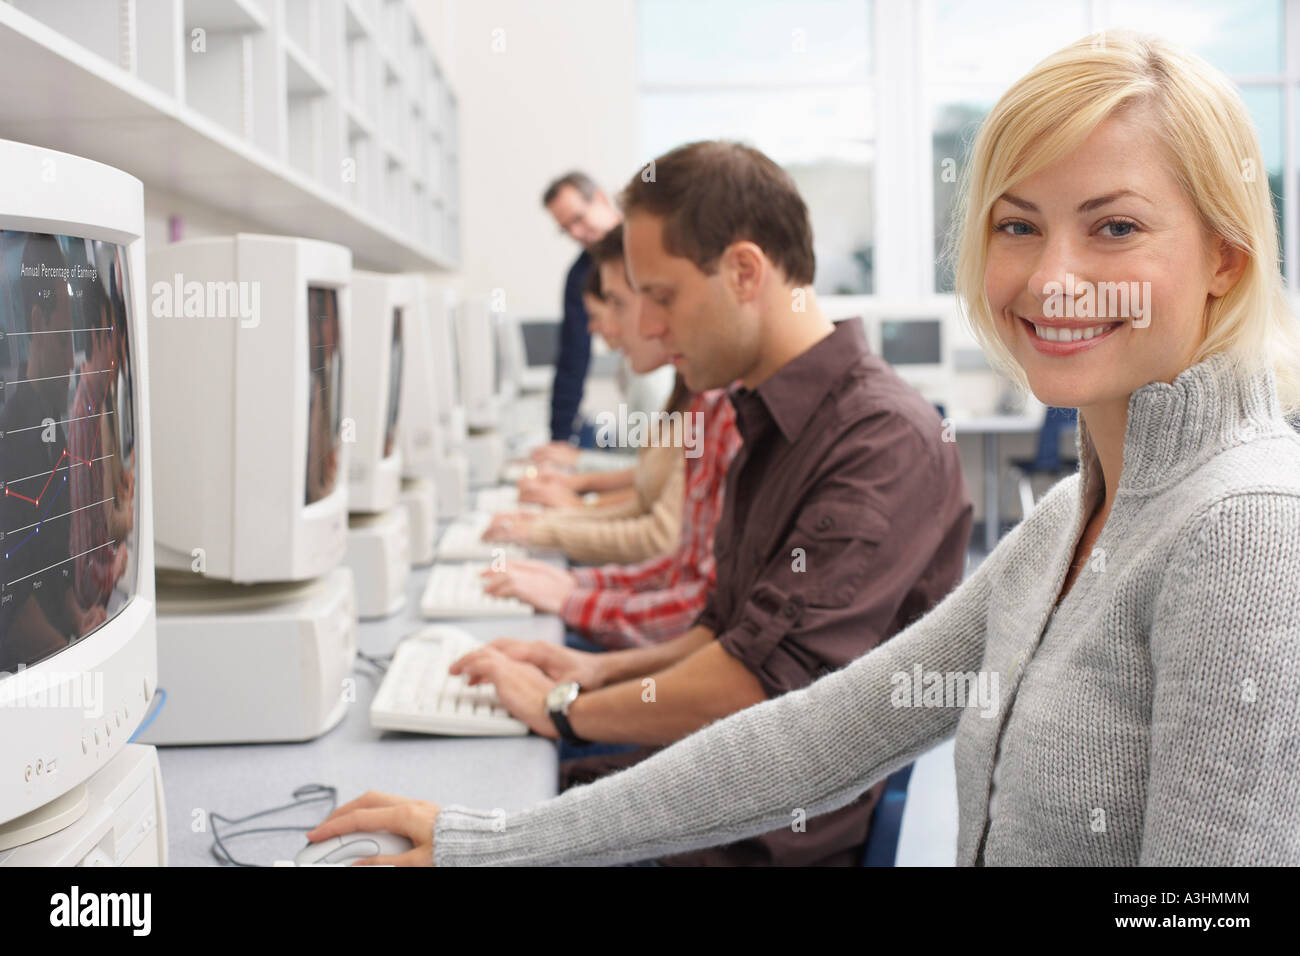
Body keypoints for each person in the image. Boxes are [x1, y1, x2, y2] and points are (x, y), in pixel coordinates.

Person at [309, 31, 1300, 867]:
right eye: (1017, 224)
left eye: (1115, 226)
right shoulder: (1066, 524)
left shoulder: (1243, 534)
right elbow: (814, 736)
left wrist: (561, 715)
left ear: (1225, 257)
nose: (1052, 278)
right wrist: (488, 840)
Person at [310, 138, 972, 866]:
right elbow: (725, 634)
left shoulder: (879, 442)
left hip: (757, 838)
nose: (647, 327)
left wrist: (565, 713)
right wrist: (594, 673)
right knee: (429, 799)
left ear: (745, 271)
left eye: (661, 295)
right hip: (707, 787)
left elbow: (755, 689)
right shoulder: (771, 417)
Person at [481, 232, 744, 649]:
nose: (602, 327)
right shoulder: (691, 393)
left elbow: (660, 537)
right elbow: (651, 504)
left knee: (525, 643)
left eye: (615, 303)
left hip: (663, 632)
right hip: (657, 617)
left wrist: (559, 528)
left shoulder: (707, 401)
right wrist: (567, 551)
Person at [483, 226, 686, 566]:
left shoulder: (666, 386)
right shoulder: (676, 387)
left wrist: (573, 502)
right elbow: (648, 484)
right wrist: (572, 496)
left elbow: (658, 526)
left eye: (612, 307)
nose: (593, 329)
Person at [533, 171, 622, 464]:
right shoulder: (579, 276)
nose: (575, 233)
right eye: (565, 229)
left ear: (600, 199)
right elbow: (573, 357)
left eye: (578, 219)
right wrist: (559, 444)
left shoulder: (649, 246)